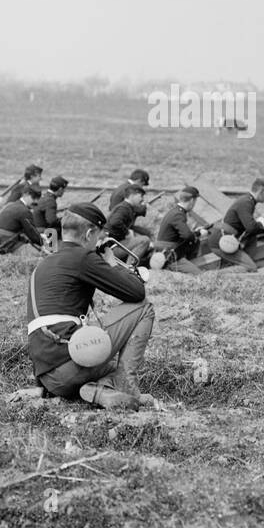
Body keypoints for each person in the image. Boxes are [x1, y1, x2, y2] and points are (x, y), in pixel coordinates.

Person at [24, 202, 155, 410]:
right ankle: (124, 385)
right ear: (89, 233)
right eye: (97, 237)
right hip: (71, 364)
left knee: (109, 363)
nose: (97, 242)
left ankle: (97, 389)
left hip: (50, 378)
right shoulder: (83, 257)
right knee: (144, 307)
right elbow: (136, 292)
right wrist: (111, 262)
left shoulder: (45, 262)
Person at [205, 178, 264, 271]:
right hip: (221, 241)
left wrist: (261, 222)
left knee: (251, 239)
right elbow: (251, 228)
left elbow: (249, 226)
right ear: (263, 190)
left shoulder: (247, 201)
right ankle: (216, 276)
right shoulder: (246, 202)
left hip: (224, 238)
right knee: (251, 268)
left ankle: (231, 266)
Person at [154, 187, 209, 273]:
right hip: (169, 255)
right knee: (199, 275)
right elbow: (186, 236)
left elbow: (182, 233)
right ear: (192, 201)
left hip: (169, 251)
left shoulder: (176, 211)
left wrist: (196, 232)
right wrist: (199, 234)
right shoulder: (178, 214)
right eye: (195, 201)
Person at [104, 184, 151, 264]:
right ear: (132, 195)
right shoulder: (124, 208)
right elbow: (114, 222)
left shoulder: (125, 207)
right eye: (141, 196)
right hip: (111, 249)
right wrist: (127, 232)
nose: (142, 200)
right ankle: (130, 268)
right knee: (144, 240)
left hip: (113, 245)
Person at [0, 191, 46, 255]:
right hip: (7, 243)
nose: (36, 201)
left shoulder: (12, 205)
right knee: (37, 254)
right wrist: (43, 243)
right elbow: (32, 233)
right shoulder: (24, 211)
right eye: (34, 198)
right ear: (26, 195)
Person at [33, 176, 69, 247]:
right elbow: (51, 221)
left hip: (37, 228)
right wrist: (65, 219)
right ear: (60, 189)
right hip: (42, 230)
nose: (64, 192)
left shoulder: (45, 196)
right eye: (64, 190)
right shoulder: (50, 201)